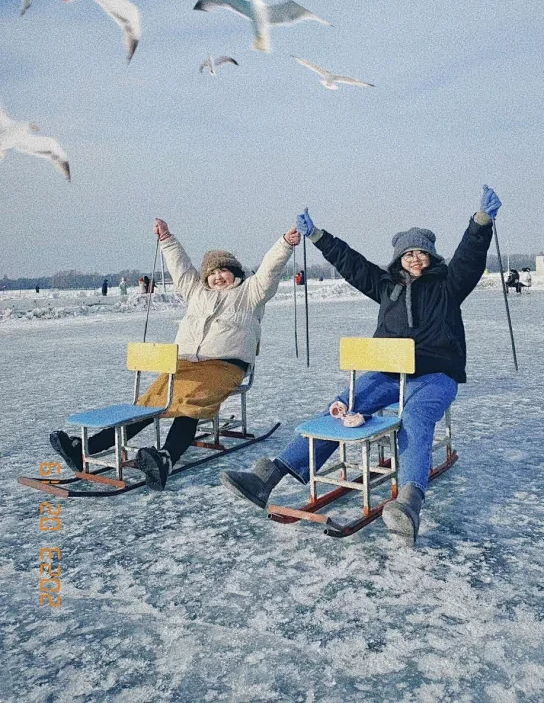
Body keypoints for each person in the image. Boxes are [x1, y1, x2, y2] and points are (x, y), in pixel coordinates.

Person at [220, 185, 501, 545]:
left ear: (431, 257)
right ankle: (268, 477)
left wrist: (481, 222)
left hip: (435, 375)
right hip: (387, 373)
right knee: (340, 407)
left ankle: (409, 502)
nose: (415, 259)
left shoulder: (448, 285)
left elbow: (470, 257)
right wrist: (319, 236)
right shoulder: (385, 286)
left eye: (421, 254)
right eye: (408, 254)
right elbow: (351, 263)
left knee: (414, 419)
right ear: (399, 257)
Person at [49, 218, 301, 490]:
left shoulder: (250, 293)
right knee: (147, 404)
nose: (217, 277)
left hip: (225, 366)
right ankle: (86, 447)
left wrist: (284, 244)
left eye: (223, 271)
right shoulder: (197, 293)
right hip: (184, 364)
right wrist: (167, 239)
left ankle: (166, 459)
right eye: (212, 273)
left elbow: (269, 271)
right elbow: (181, 269)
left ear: (235, 272)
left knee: (190, 402)